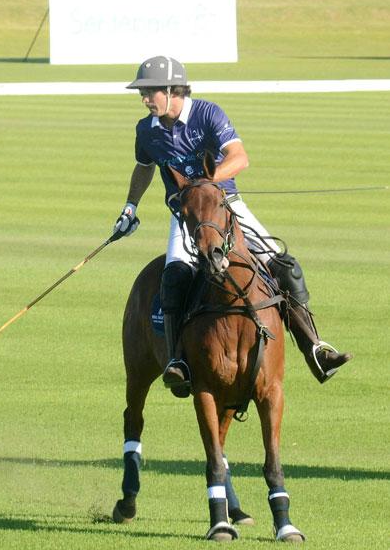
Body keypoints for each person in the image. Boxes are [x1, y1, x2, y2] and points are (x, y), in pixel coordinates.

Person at [112, 55, 350, 397]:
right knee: (174, 277)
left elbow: (239, 157)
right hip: (185, 216)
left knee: (285, 267)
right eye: (143, 94)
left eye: (150, 92)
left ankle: (314, 348)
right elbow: (144, 167)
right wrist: (130, 206)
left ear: (171, 90)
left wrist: (205, 184)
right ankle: (178, 361)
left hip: (226, 207)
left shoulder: (208, 114)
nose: (145, 99)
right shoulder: (146, 131)